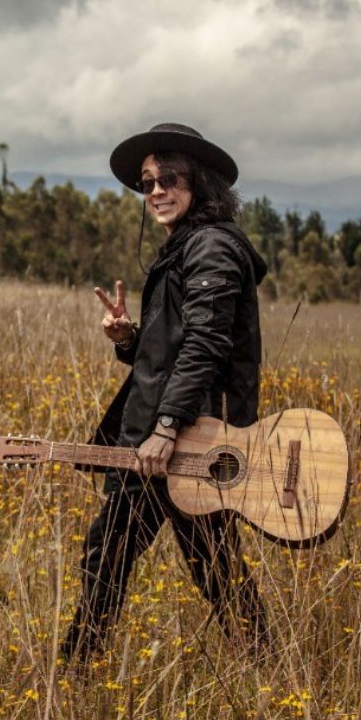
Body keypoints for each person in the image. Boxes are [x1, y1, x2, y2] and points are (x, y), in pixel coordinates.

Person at [60, 123, 272, 662]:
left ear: (199, 183)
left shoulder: (212, 248)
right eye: (147, 182)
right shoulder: (188, 248)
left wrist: (165, 427)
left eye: (169, 179)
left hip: (185, 440)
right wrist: (130, 338)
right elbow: (177, 349)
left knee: (138, 556)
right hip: (170, 438)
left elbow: (205, 345)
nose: (155, 190)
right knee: (194, 561)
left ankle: (77, 668)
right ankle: (267, 662)